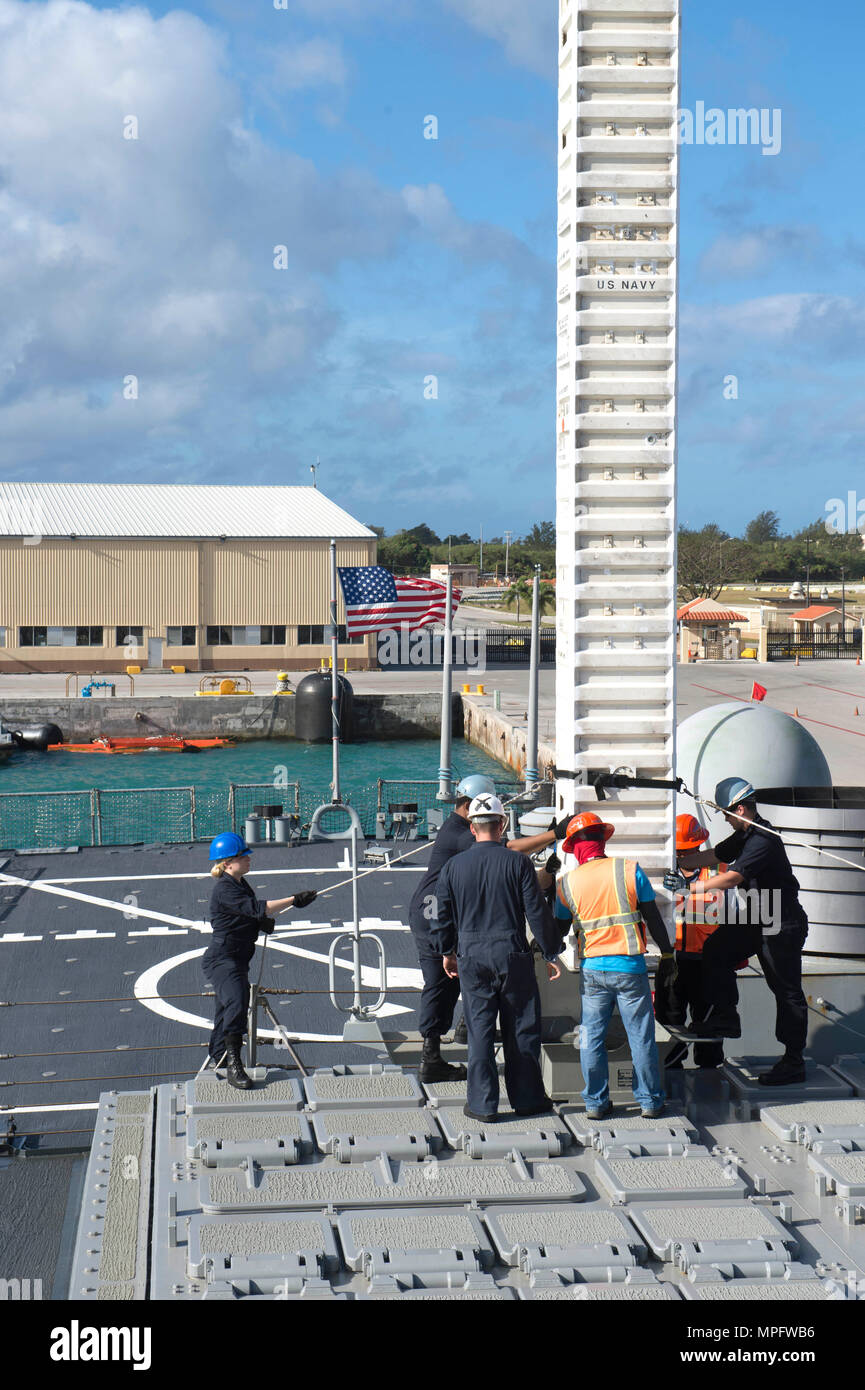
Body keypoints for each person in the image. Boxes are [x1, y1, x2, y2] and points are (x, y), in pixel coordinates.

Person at [408, 774, 571, 1082]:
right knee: (440, 983)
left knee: (457, 978)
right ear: (473, 810)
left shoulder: (454, 827)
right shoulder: (462, 834)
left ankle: (464, 1030)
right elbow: (504, 850)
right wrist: (553, 834)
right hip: (434, 915)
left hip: (435, 911)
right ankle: (431, 1056)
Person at [434, 794, 564, 1121]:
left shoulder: (452, 867)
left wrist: (447, 952)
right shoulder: (518, 863)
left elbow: (441, 915)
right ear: (502, 824)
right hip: (512, 955)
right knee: (520, 1028)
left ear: (472, 827)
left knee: (479, 1031)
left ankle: (482, 1105)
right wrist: (551, 952)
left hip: (471, 955)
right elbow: (536, 912)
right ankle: (528, 1099)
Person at [672, 778, 809, 1087]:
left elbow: (732, 877)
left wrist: (688, 887)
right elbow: (715, 855)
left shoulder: (762, 840)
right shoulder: (745, 834)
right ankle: (726, 1016)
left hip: (780, 918)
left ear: (741, 809)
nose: (724, 819)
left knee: (786, 991)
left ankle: (793, 1060)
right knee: (716, 950)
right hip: (760, 915)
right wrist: (675, 864)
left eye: (726, 814)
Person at [555, 812, 673, 1120]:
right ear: (601, 840)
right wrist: (668, 954)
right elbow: (653, 918)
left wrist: (548, 953)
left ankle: (595, 1103)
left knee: (592, 1037)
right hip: (630, 968)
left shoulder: (566, 884)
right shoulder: (628, 869)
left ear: (574, 848)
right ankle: (649, 1101)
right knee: (641, 1037)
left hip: (593, 970)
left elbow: (557, 930)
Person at [203, 831, 318, 1090]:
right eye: (244, 856)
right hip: (223, 959)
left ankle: (218, 1058)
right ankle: (234, 1064)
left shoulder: (239, 884)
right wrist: (294, 900)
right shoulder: (225, 888)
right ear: (228, 862)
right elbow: (259, 908)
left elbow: (247, 912)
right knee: (237, 1001)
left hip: (237, 959)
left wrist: (258, 924)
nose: (248, 859)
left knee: (225, 1010)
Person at [663, 814, 731, 1072]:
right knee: (670, 1019)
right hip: (674, 959)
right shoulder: (663, 871)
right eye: (679, 851)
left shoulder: (719, 869)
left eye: (687, 850)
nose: (682, 856)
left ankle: (710, 1071)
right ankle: (670, 1067)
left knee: (709, 1023)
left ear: (698, 845)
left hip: (708, 960)